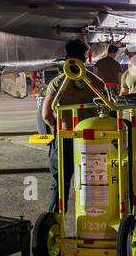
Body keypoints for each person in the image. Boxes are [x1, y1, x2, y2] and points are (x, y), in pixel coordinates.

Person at [40, 39, 96, 211]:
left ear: (67, 57)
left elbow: (46, 115)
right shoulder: (95, 82)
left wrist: (57, 125)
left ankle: (55, 221)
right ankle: (92, 219)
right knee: (93, 182)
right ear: (84, 58)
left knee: (59, 183)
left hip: (65, 138)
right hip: (90, 140)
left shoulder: (57, 83)